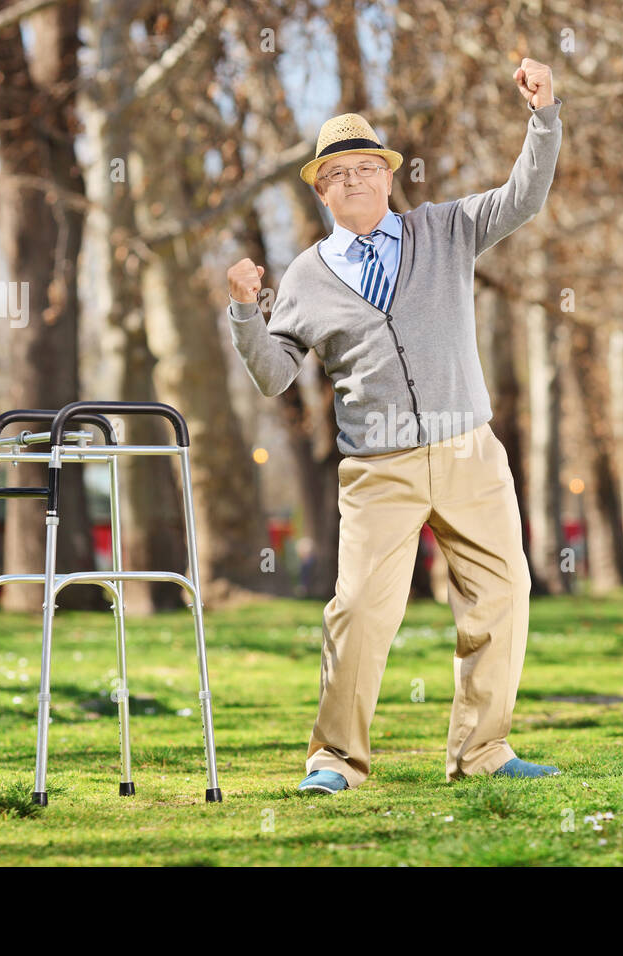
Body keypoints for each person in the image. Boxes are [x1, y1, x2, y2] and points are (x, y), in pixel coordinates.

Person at [225, 58, 563, 794]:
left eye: (365, 168)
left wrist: (544, 117)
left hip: (470, 451)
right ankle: (335, 761)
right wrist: (246, 314)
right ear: (320, 190)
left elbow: (522, 198)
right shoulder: (308, 276)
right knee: (359, 613)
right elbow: (275, 372)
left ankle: (484, 752)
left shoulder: (444, 230)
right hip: (378, 469)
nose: (353, 181)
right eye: (336, 173)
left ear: (389, 174)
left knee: (502, 596)